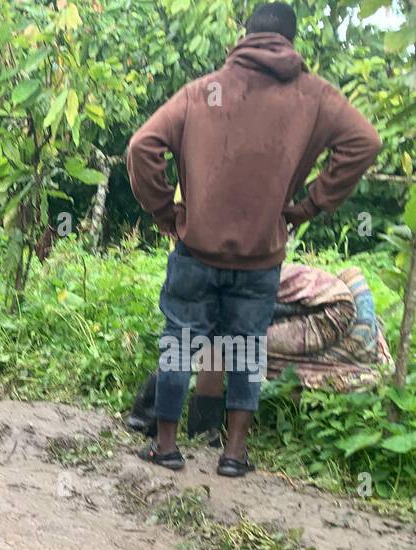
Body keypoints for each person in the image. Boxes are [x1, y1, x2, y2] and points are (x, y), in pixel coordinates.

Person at [127, 1, 381, 477]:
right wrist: (309, 205)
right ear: (291, 40)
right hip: (261, 256)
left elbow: (143, 146)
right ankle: (234, 455)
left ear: (245, 36)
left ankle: (165, 447)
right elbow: (364, 142)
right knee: (246, 349)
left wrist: (165, 211)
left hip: (196, 249)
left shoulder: (204, 91)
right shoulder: (315, 96)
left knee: (179, 343)